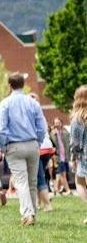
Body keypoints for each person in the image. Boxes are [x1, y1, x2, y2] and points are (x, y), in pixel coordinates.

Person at [0, 73, 47, 226]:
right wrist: (38, 141)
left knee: (21, 182)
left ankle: (27, 214)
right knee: (32, 181)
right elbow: (41, 127)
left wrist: (2, 147)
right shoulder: (33, 103)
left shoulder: (5, 103)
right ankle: (33, 213)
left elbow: (1, 130)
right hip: (32, 144)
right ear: (23, 84)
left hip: (14, 145)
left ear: (9, 85)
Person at [68, 85, 87, 225]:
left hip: (84, 157)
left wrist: (73, 158)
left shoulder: (77, 119)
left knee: (79, 182)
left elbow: (75, 143)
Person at [50, 118, 71, 195]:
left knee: (60, 174)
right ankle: (68, 190)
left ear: (61, 123)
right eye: (56, 123)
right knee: (63, 174)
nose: (57, 124)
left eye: (58, 122)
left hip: (65, 156)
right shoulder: (52, 134)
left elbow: (68, 144)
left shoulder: (65, 133)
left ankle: (56, 190)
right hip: (57, 157)